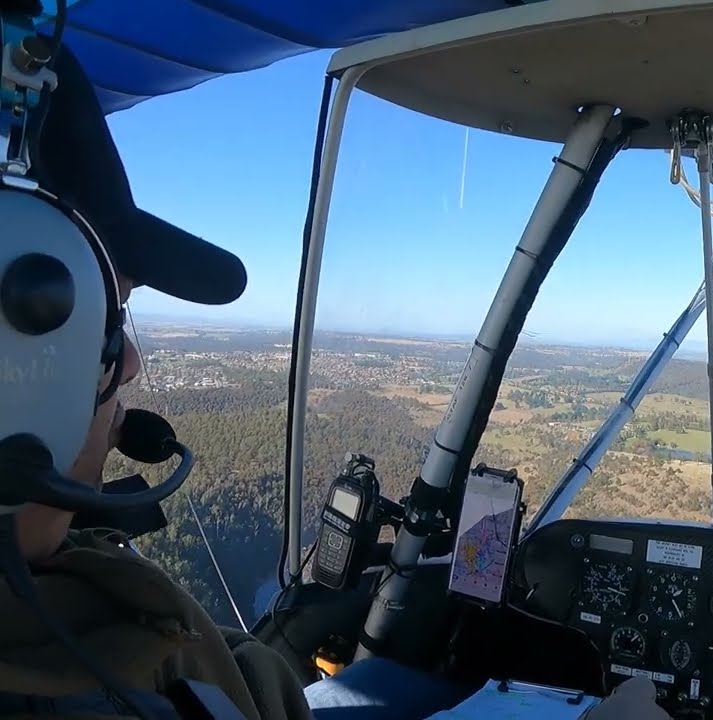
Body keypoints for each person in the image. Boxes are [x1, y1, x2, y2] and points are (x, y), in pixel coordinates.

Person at [1, 38, 671, 720]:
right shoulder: (69, 675)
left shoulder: (56, 592)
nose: (131, 363)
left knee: (390, 682)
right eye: (104, 321)